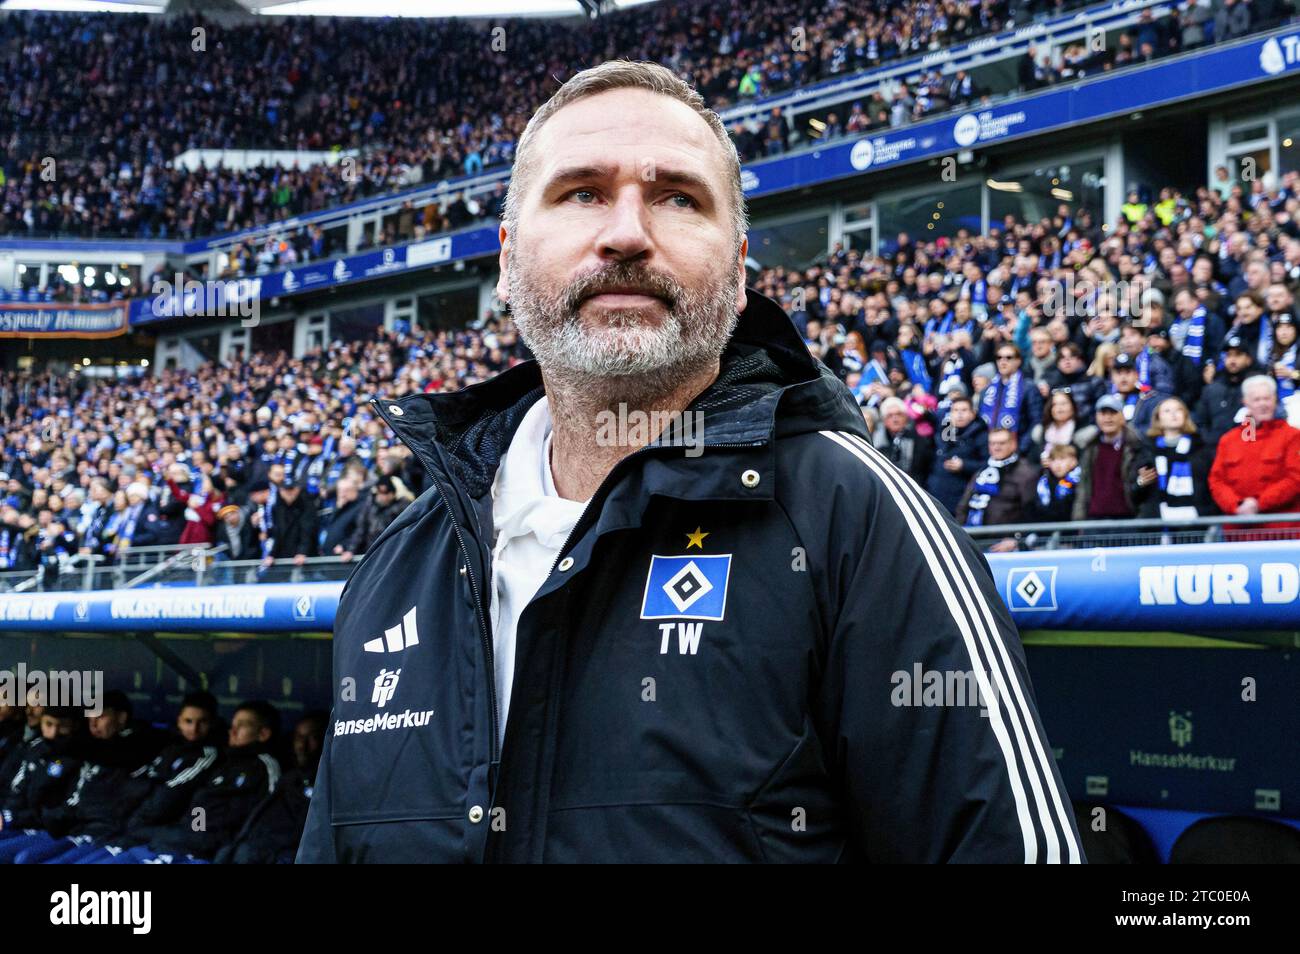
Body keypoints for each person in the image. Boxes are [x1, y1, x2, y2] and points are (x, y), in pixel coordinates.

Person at [298, 61, 1081, 864]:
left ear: (739, 271)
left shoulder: (861, 522)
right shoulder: (397, 569)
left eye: (678, 197)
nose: (628, 233)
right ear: (505, 259)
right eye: (581, 193)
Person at [1208, 376, 1300, 536]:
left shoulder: (1292, 436)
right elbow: (1216, 481)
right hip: (1238, 533)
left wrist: (1258, 504)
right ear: (1246, 402)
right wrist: (1237, 505)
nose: (1262, 404)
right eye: (1256, 399)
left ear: (1275, 400)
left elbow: (1295, 478)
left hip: (1282, 532)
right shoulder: (1229, 440)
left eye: (1267, 398)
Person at [1133, 397, 1218, 520]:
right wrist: (1140, 482)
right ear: (1158, 418)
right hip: (1157, 520)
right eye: (1167, 411)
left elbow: (1208, 484)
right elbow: (1136, 490)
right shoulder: (1147, 450)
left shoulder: (1201, 448)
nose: (1173, 414)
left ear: (1185, 416)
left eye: (1178, 410)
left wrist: (1207, 511)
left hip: (1195, 520)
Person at [956, 427, 1040, 540]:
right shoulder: (982, 471)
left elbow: (1031, 513)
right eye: (992, 443)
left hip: (1004, 544)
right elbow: (963, 506)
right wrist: (961, 535)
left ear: (1013, 444)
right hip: (973, 540)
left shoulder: (1026, 473)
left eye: (1002, 443)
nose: (996, 447)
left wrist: (1016, 539)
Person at [1073, 394, 1145, 521]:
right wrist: (1078, 520)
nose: (1108, 418)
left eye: (1113, 413)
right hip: (1094, 520)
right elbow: (1083, 487)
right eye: (1103, 413)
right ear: (1096, 417)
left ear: (1122, 417)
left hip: (1127, 520)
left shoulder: (1135, 447)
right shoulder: (1089, 447)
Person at [926, 395, 988, 515]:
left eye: (964, 410)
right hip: (936, 496)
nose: (959, 414)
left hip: (962, 499)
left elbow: (988, 464)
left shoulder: (981, 435)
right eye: (955, 410)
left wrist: (964, 466)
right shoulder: (941, 434)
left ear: (973, 413)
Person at [1194, 334, 1261, 445]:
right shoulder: (1212, 389)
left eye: (1238, 355)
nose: (1232, 360)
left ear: (1248, 359)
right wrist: (1209, 440)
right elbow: (1200, 421)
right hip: (1215, 448)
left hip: (1249, 447)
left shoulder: (1258, 387)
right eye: (1229, 355)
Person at [339, 476, 409, 562]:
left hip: (393, 554)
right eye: (380, 493)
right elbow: (360, 530)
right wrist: (350, 550)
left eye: (386, 493)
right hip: (372, 553)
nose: (382, 497)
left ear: (393, 494)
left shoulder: (402, 507)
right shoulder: (370, 506)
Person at [876, 397, 934, 484]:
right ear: (884, 421)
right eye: (890, 416)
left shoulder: (919, 440)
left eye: (899, 414)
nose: (895, 419)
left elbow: (926, 468)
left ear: (906, 417)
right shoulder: (877, 441)